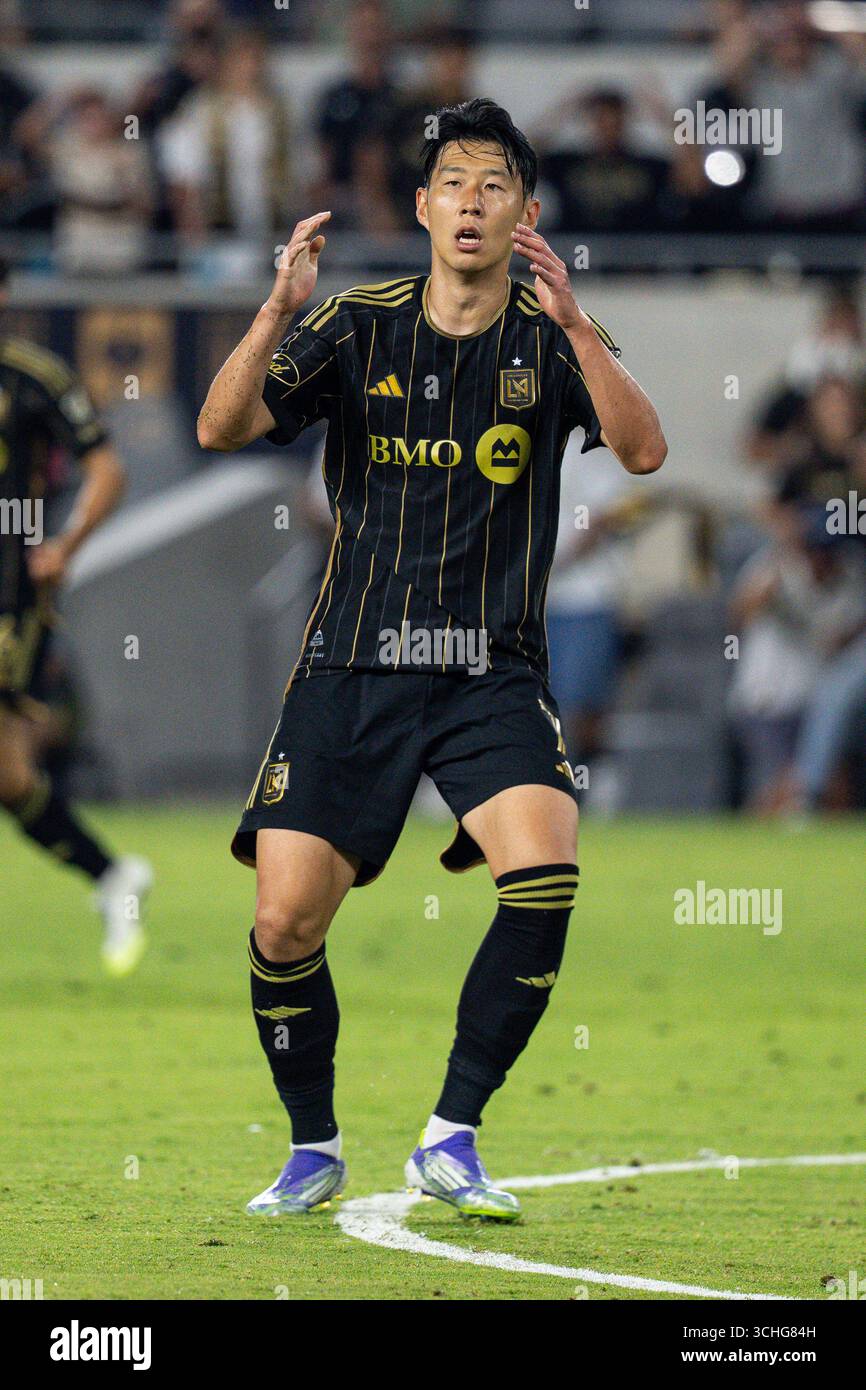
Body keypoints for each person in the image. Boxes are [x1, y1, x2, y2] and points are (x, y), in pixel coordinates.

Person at [197, 98, 666, 1219]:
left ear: (526, 213)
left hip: (487, 669)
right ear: (419, 208)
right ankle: (312, 1146)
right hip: (351, 662)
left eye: (492, 185)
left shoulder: (553, 339)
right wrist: (272, 312)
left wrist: (580, 327)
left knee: (544, 870)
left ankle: (451, 1134)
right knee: (281, 925)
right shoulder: (356, 325)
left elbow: (644, 452)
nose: (469, 201)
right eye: (451, 183)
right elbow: (222, 428)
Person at [0, 262, 152, 973]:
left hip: (11, 600)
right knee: (9, 779)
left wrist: (65, 546)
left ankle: (110, 877)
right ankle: (110, 875)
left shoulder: (33, 377)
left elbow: (108, 471)